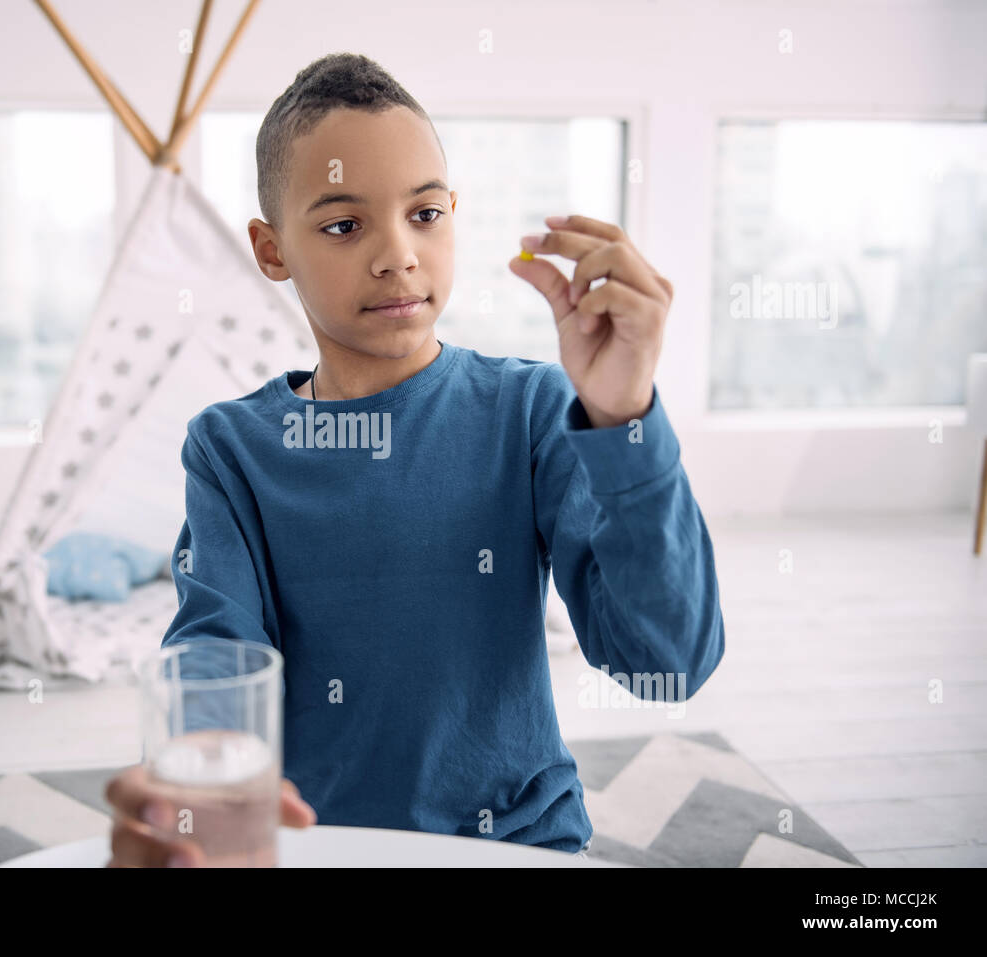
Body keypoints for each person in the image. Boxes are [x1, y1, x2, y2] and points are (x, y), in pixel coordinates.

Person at [106, 52, 724, 867]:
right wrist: (202, 783)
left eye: (425, 214)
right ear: (271, 248)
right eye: (342, 224)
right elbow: (219, 653)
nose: (397, 254)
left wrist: (624, 419)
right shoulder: (231, 448)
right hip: (316, 846)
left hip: (519, 846)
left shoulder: (533, 411)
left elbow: (669, 667)